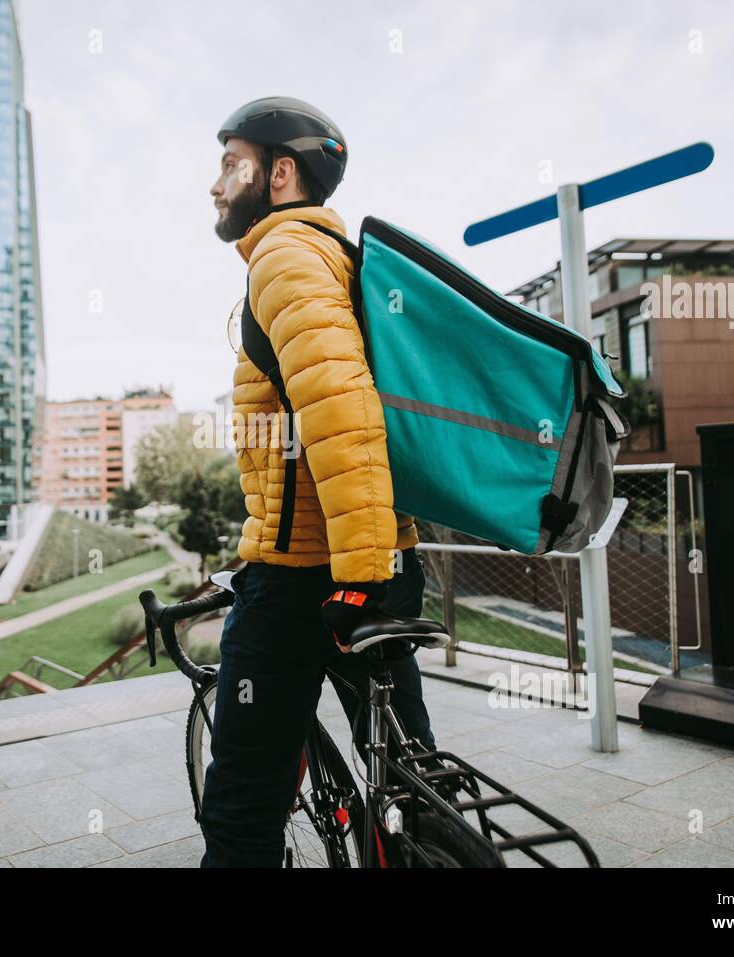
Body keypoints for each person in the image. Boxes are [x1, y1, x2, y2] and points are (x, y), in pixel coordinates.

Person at [201, 97, 437, 867]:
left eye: (229, 164)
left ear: (279, 172)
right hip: (378, 562)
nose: (214, 185)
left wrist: (359, 577)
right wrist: (380, 568)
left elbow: (341, 413)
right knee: (416, 784)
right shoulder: (338, 258)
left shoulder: (286, 256)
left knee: (241, 805)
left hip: (312, 581)